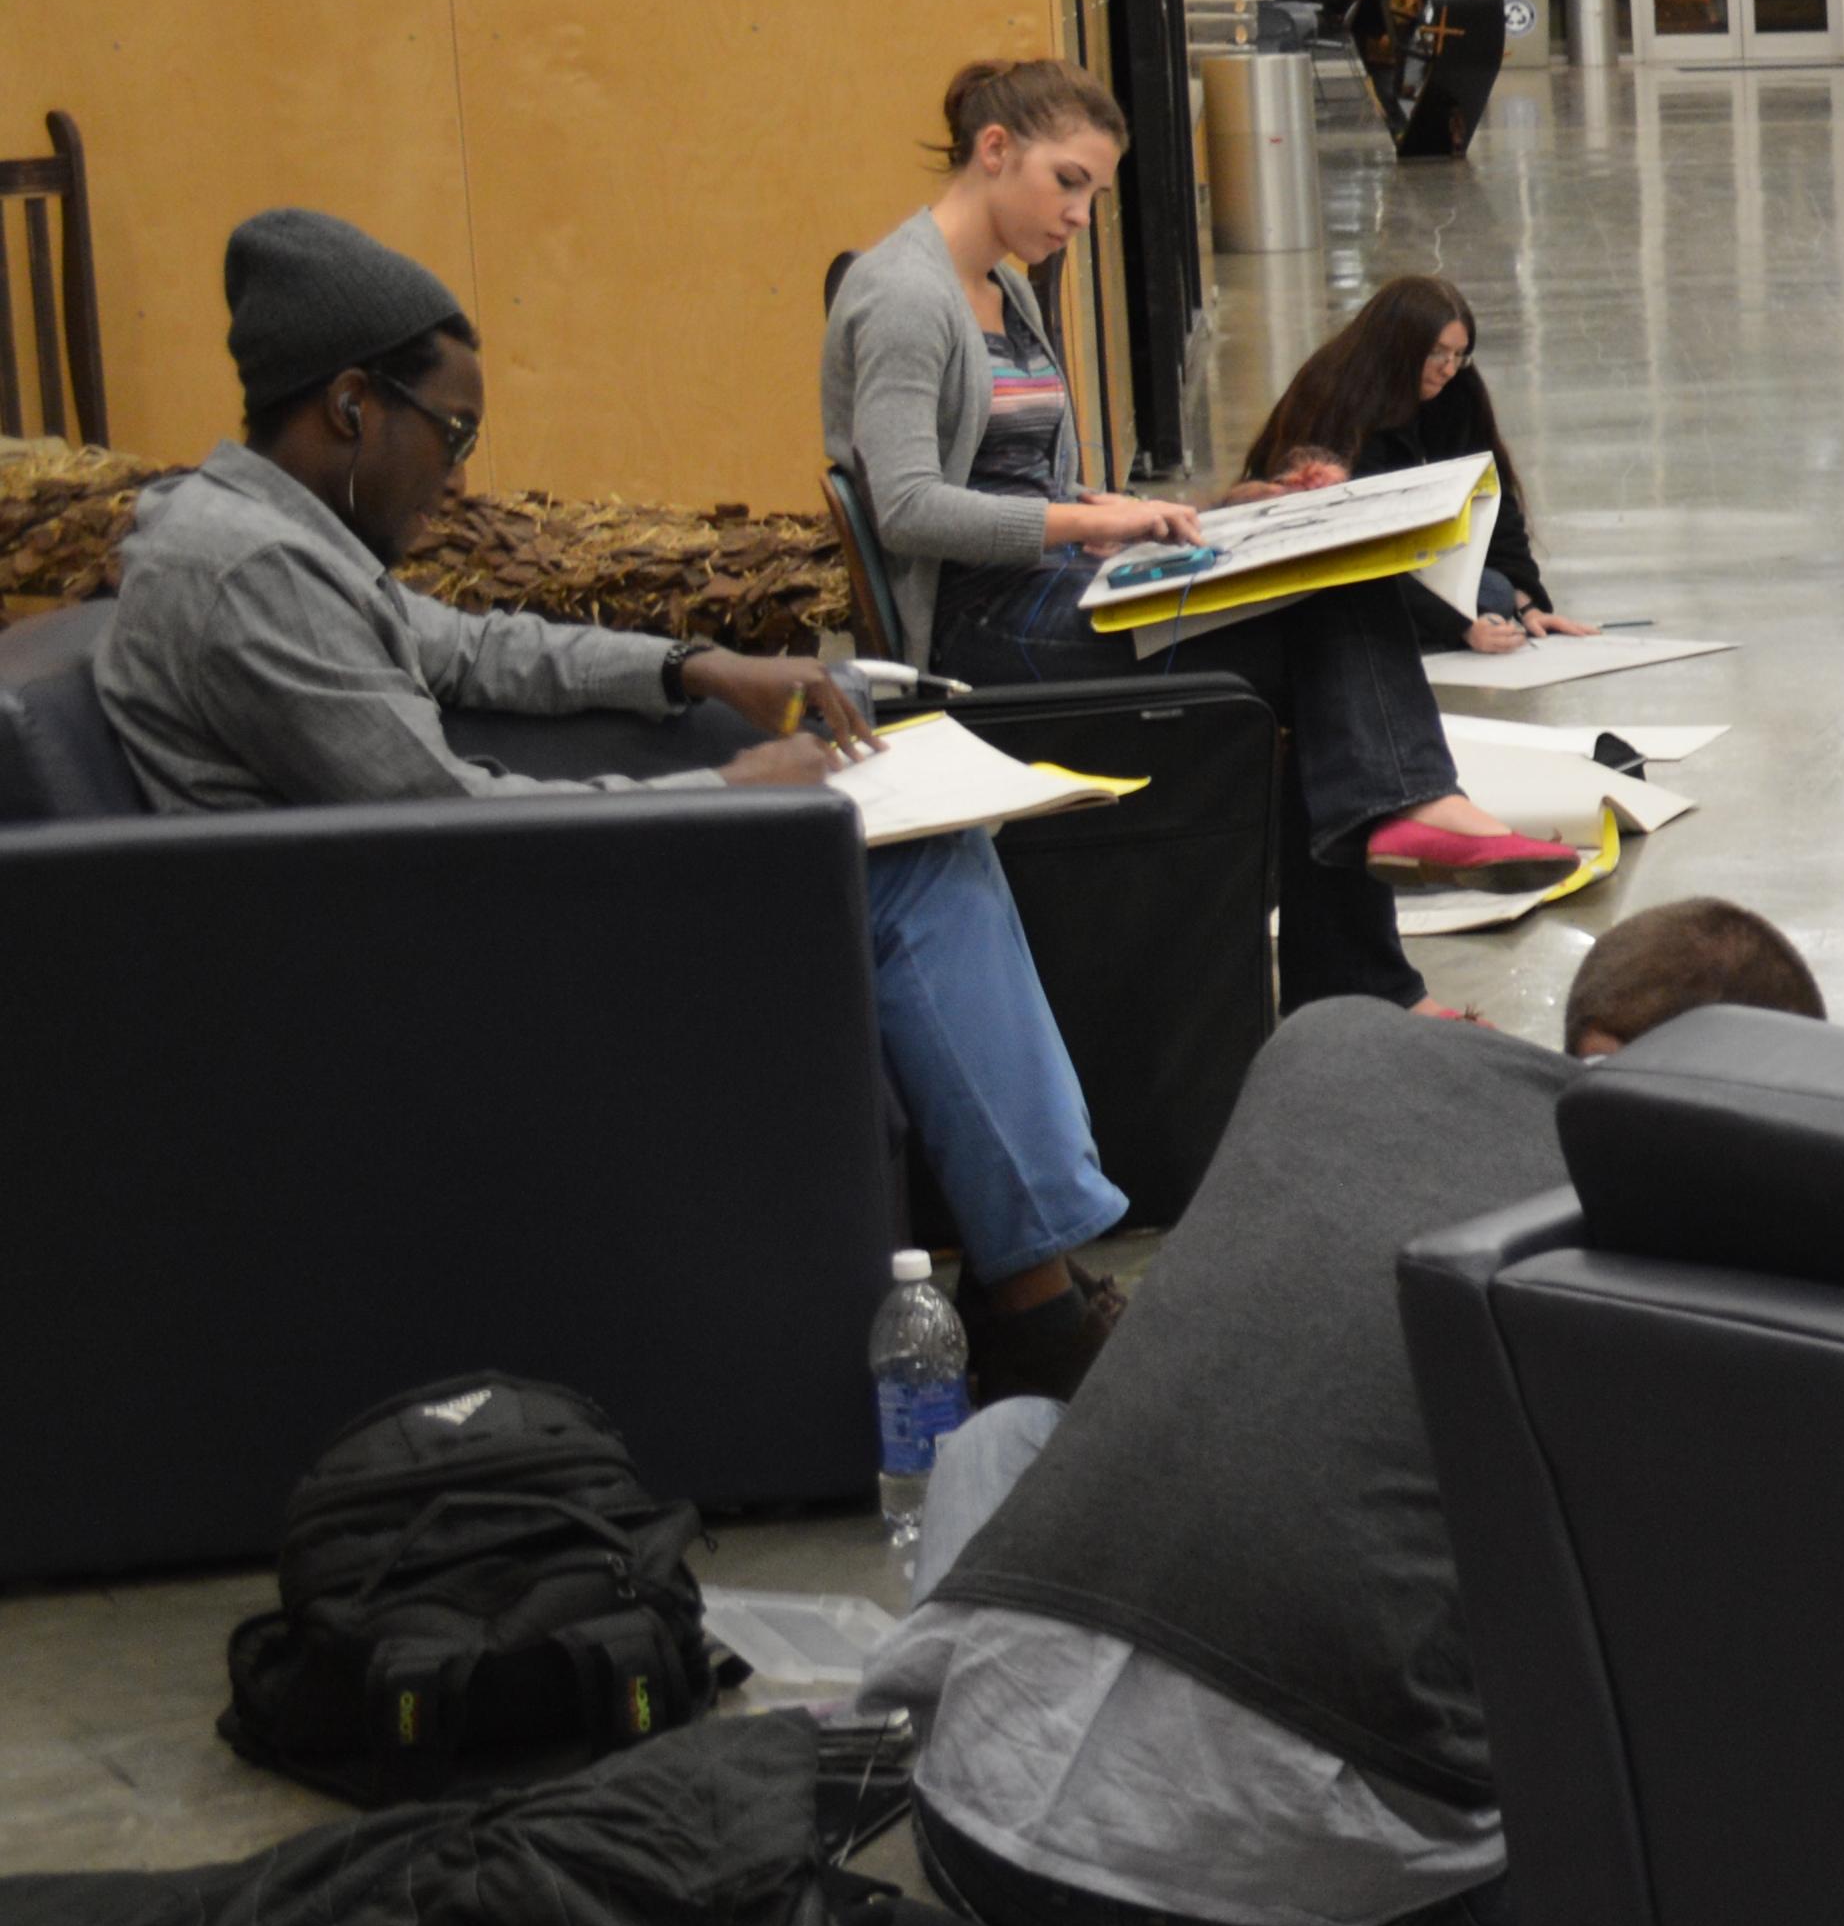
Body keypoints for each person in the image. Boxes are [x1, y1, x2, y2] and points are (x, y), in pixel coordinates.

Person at [98, 209, 1139, 1394]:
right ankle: (1034, 1300)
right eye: (451, 431)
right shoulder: (246, 575)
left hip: (405, 918)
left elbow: (470, 648)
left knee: (916, 841)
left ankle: (1029, 1281)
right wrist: (725, 793)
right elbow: (439, 814)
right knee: (906, 863)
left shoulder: (280, 538)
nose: (458, 472)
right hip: (375, 978)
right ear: (349, 407)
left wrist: (690, 668)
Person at [865, 898, 1831, 1926]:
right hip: (1281, 1916)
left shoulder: (1327, 1037)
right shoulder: (1671, 1214)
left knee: (1006, 1431)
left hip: (967, 1830)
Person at [828, 58, 1573, 976]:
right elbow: (908, 511)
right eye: (1069, 183)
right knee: (1319, 641)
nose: (1078, 216)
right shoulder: (904, 294)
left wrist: (1203, 516)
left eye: (1093, 194)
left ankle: (1392, 868)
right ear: (993, 150)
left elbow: (1037, 486)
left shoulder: (1007, 288)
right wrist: (1095, 526)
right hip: (981, 628)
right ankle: (1389, 880)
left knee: (1335, 585)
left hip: (1050, 584)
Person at [1240, 273, 1595, 657]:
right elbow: (1352, 548)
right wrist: (1460, 628)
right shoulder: (1339, 405)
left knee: (1497, 591)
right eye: (1438, 353)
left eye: (1460, 355)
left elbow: (1491, 495)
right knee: (1484, 598)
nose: (1449, 368)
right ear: (1400, 348)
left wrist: (1528, 603)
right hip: (1326, 571)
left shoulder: (1453, 388)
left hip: (1407, 559)